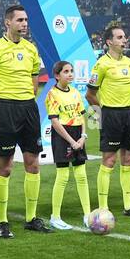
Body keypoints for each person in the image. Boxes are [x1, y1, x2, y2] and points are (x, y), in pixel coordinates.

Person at [0, 5, 48, 236]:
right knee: (5, 167)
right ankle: (2, 221)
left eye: (26, 19)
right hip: (5, 108)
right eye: (20, 20)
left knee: (33, 164)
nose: (24, 23)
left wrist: (27, 99)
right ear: (7, 22)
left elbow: (35, 79)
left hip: (28, 108)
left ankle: (31, 218)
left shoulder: (31, 49)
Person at [88, 23, 130, 217]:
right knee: (109, 160)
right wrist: (101, 115)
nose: (124, 40)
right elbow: (90, 94)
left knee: (128, 159)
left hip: (128, 114)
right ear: (109, 42)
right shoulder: (101, 64)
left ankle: (129, 206)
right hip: (110, 115)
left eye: (124, 37)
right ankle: (103, 207)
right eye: (119, 37)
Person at [45, 60, 91, 228]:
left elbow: (82, 115)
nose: (70, 74)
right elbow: (55, 122)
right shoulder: (52, 94)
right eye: (66, 71)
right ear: (57, 75)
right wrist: (72, 141)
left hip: (78, 134)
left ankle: (87, 215)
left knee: (81, 175)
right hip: (62, 135)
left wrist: (83, 137)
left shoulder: (76, 92)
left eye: (71, 71)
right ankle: (55, 216)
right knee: (63, 175)